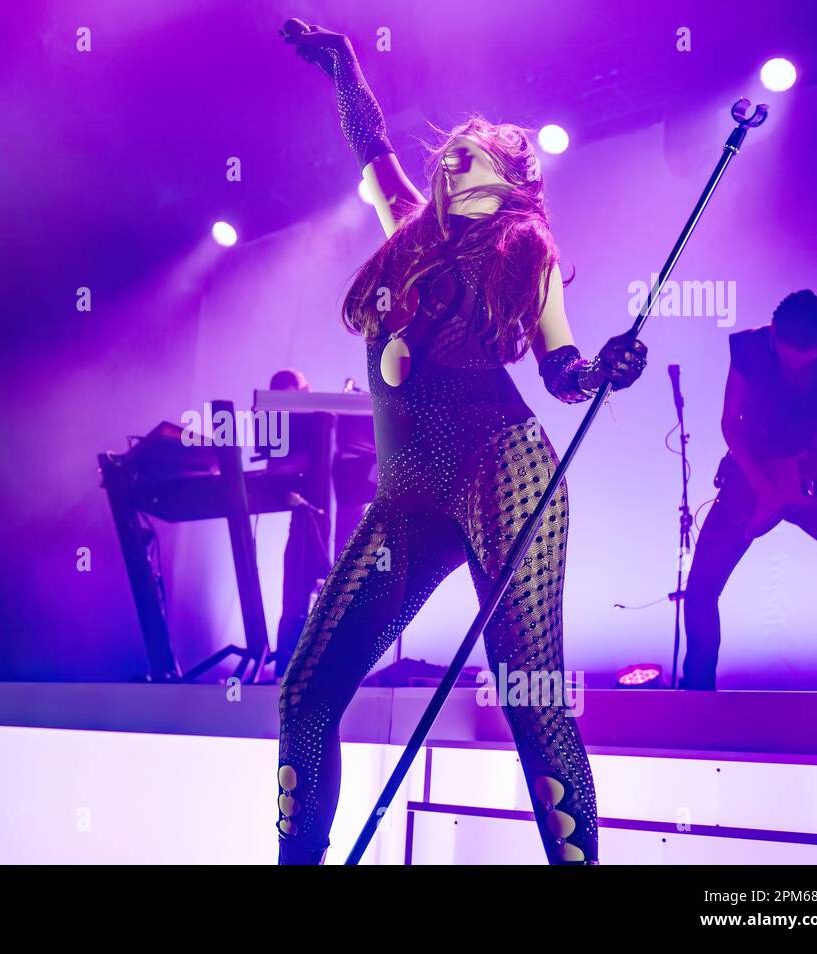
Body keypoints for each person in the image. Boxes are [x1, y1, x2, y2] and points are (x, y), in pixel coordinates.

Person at [274, 20, 647, 864]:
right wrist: (343, 59)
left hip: (501, 468)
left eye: (473, 154)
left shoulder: (527, 248)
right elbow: (369, 139)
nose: (451, 158)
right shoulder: (405, 224)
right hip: (408, 492)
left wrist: (605, 370)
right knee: (306, 691)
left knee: (530, 693)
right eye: (449, 151)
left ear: (514, 178)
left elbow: (561, 368)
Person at [682, 290, 817, 691]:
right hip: (751, 474)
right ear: (773, 333)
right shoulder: (750, 349)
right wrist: (765, 487)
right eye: (786, 359)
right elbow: (731, 424)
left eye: (804, 363)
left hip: (814, 476)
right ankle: (697, 684)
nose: (793, 371)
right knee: (703, 582)